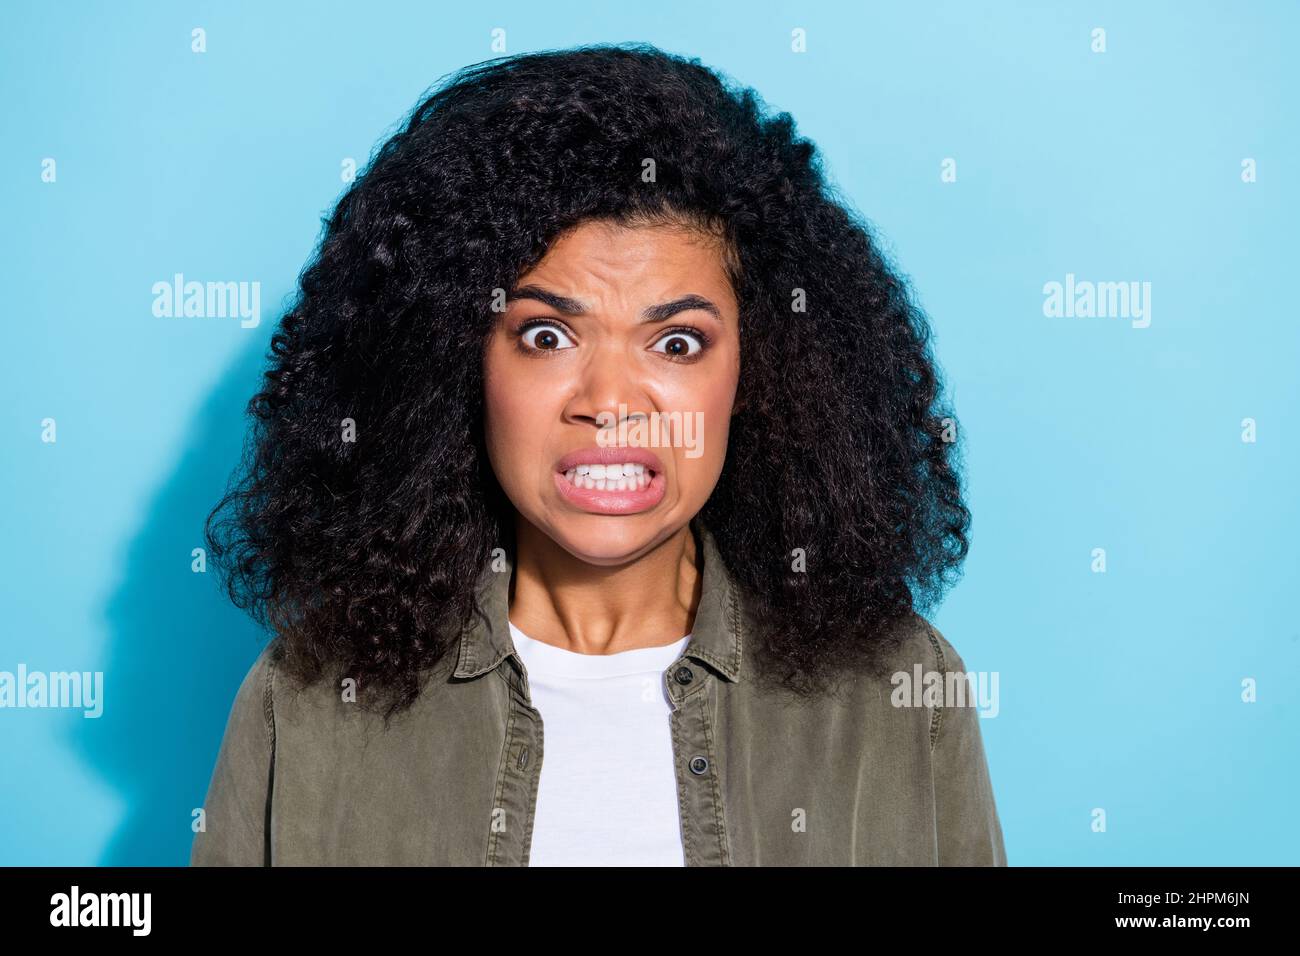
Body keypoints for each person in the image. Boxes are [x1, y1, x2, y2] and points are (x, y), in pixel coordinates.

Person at [192, 42, 1006, 866]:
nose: (610, 405)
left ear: (760, 376)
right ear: (455, 364)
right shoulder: (309, 695)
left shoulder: (899, 689)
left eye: (678, 343)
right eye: (546, 336)